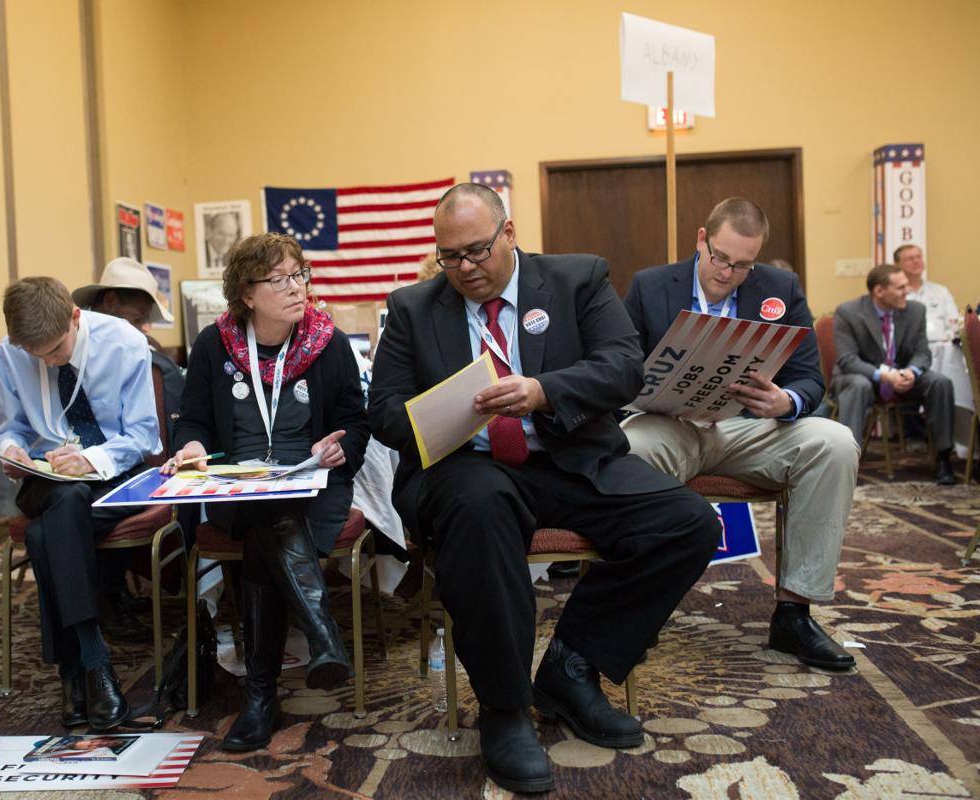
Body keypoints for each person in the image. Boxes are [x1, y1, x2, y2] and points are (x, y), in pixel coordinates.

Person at [369, 183, 722, 794]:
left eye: (477, 251)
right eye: (449, 257)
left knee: (688, 523)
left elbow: (623, 366)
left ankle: (571, 668)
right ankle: (504, 710)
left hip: (570, 458)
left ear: (509, 233)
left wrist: (542, 391)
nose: (465, 269)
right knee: (479, 510)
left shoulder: (577, 280)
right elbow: (385, 414)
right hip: (466, 467)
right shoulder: (412, 308)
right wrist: (452, 413)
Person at [622, 197, 860, 672]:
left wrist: (785, 401)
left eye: (743, 265)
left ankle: (794, 613)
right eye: (720, 258)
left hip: (750, 429)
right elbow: (618, 367)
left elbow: (811, 377)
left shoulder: (781, 287)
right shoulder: (650, 286)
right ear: (700, 240)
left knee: (834, 443)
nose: (728, 273)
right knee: (627, 450)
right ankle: (634, 610)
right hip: (672, 427)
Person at [164, 232, 368, 752]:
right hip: (240, 485)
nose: (296, 288)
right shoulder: (215, 345)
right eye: (279, 279)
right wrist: (191, 446)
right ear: (247, 294)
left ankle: (260, 695)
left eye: (299, 274)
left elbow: (354, 419)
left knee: (265, 526)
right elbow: (195, 419)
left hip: (314, 487)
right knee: (262, 511)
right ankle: (321, 633)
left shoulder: (330, 343)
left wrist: (344, 447)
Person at [0, 277, 161, 731]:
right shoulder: (9, 353)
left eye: (56, 350)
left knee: (43, 533)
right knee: (62, 498)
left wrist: (89, 458)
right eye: (38, 355)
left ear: (75, 316)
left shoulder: (124, 342)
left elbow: (145, 436)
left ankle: (74, 676)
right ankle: (96, 661)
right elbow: (11, 427)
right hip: (44, 478)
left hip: (112, 474)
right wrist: (11, 449)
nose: (48, 361)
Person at [73, 257, 193, 640]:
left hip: (123, 462)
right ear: (108, 301)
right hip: (73, 467)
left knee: (122, 485)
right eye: (137, 317)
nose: (141, 328)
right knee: (96, 501)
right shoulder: (72, 351)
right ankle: (101, 596)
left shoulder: (135, 347)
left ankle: (111, 591)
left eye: (145, 322)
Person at [832, 264, 957, 484]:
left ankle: (943, 458)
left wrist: (911, 371)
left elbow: (922, 353)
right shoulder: (848, 312)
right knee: (858, 384)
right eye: (900, 287)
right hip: (862, 375)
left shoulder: (916, 310)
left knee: (940, 382)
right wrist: (886, 375)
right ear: (879, 291)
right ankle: (846, 462)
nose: (907, 291)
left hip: (903, 374)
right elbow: (848, 360)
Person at [896, 245, 960, 345]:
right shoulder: (895, 294)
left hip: (943, 348)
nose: (916, 261)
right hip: (909, 349)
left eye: (919, 257)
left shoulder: (941, 291)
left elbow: (954, 322)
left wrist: (947, 338)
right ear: (897, 265)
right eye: (910, 258)